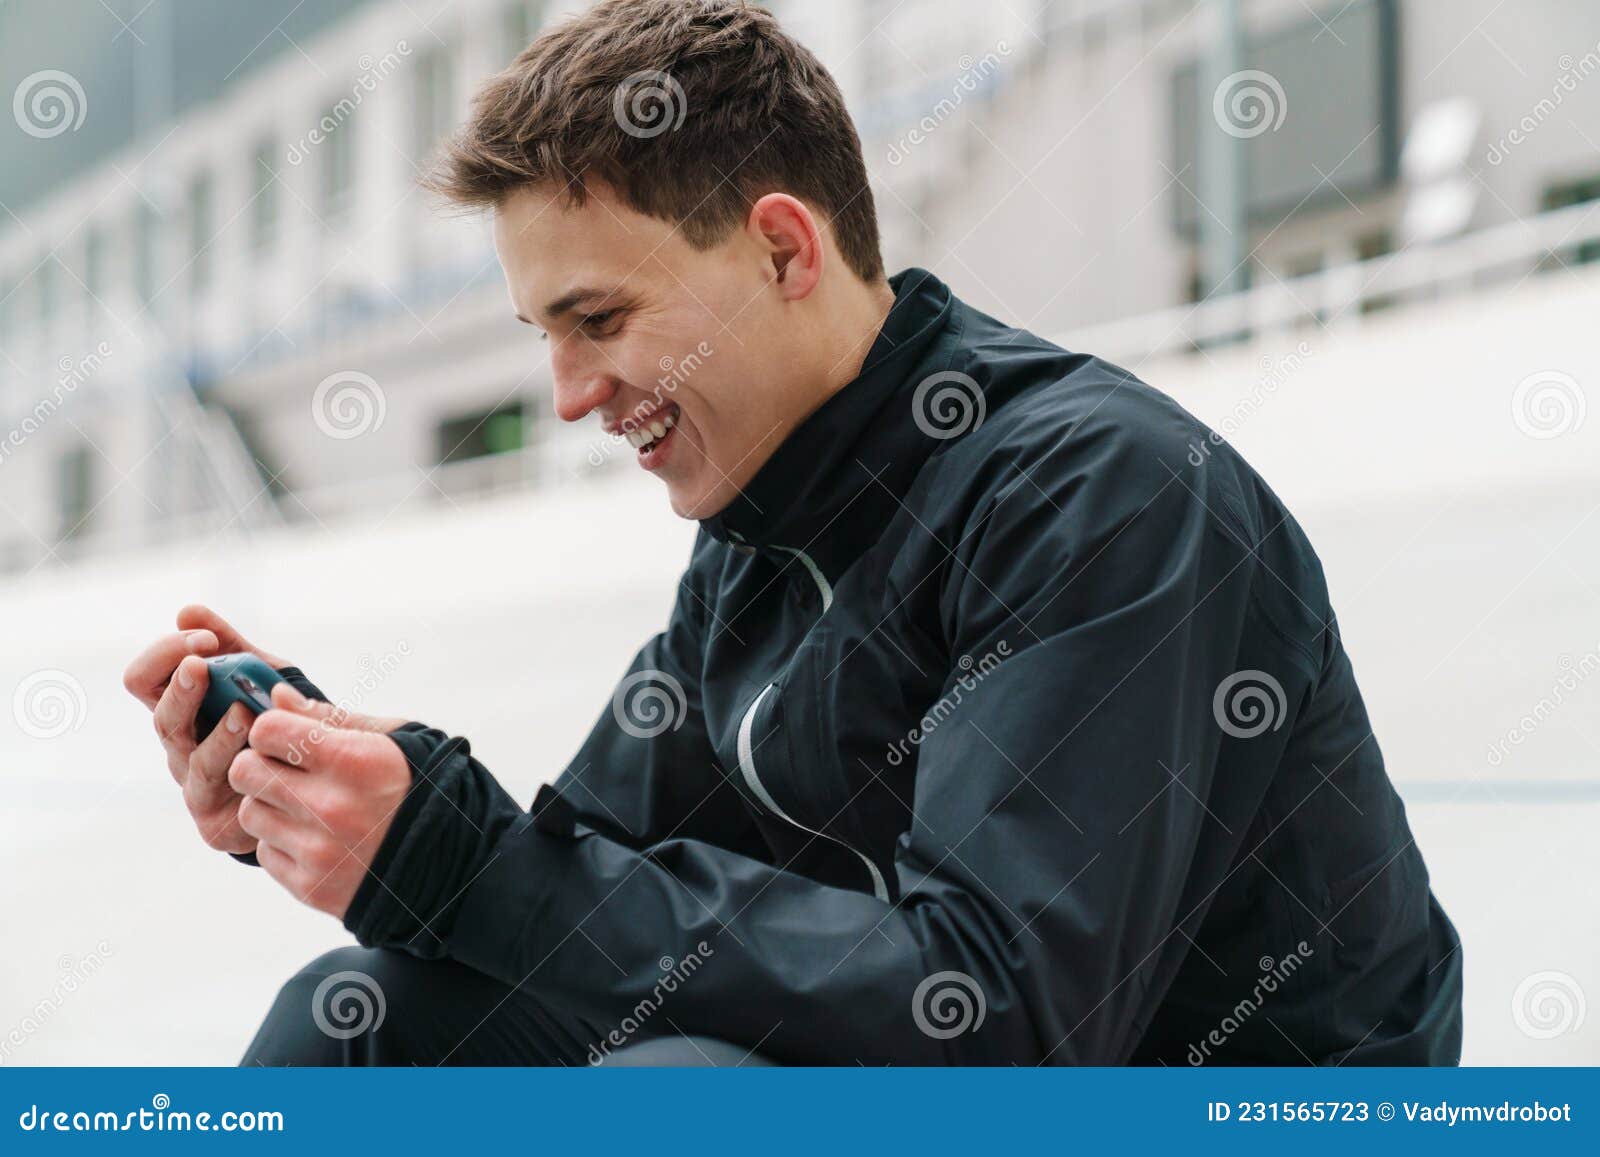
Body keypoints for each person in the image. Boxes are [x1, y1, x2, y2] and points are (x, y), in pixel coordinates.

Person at [122, 0, 1462, 1066]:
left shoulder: (1103, 494)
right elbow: (572, 869)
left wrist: (467, 862)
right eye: (545, 338)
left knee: (678, 1098)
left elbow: (995, 1025)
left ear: (780, 251)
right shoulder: (768, 525)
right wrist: (336, 799)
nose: (570, 397)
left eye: (598, 320)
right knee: (361, 1019)